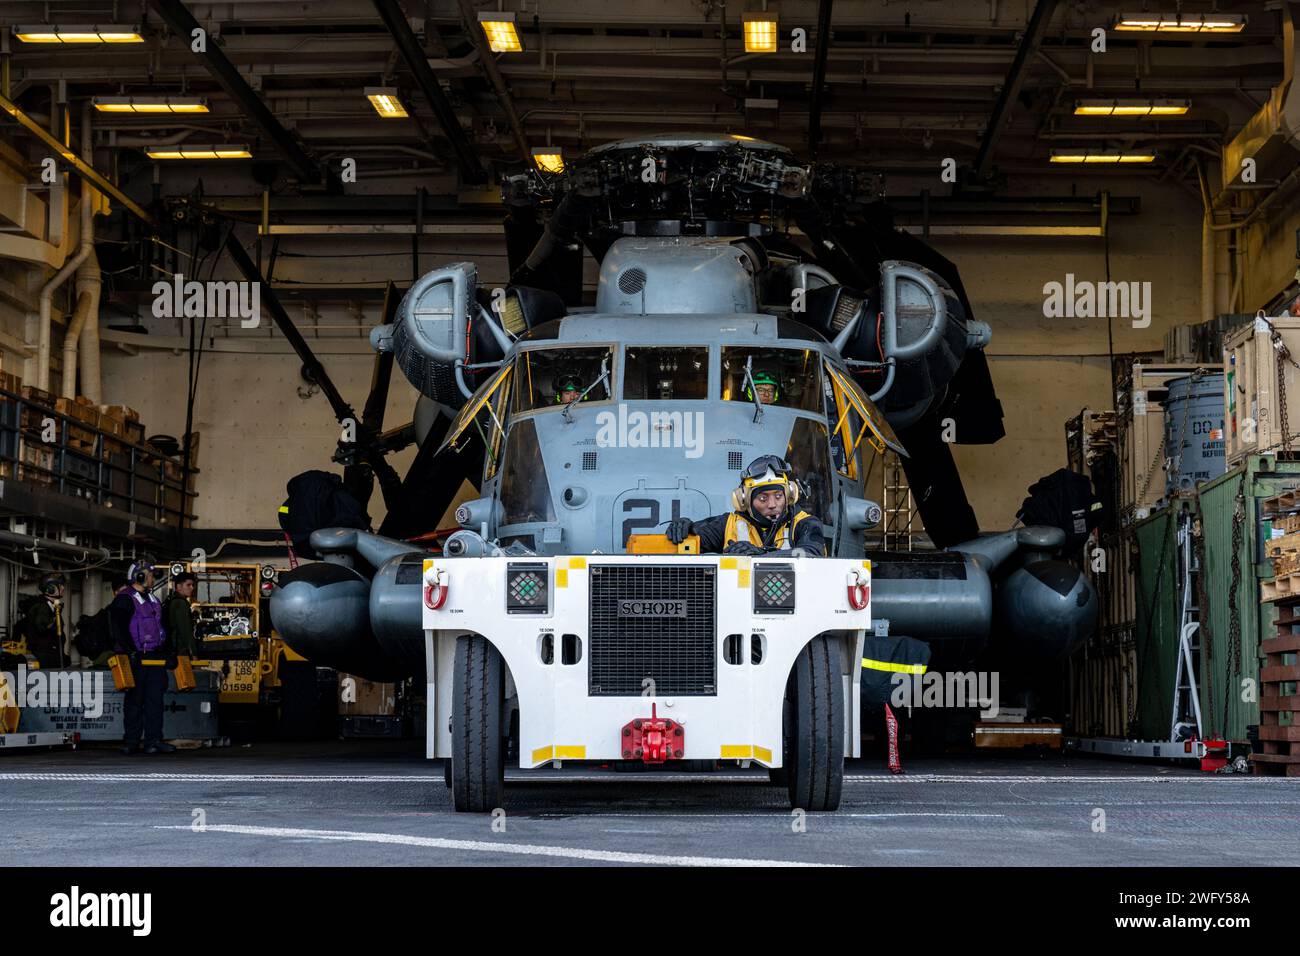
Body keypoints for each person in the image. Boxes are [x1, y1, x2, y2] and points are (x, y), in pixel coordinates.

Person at [666, 455, 825, 556]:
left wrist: (761, 554)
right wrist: (686, 527)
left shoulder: (806, 523)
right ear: (744, 500)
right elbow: (694, 542)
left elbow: (810, 554)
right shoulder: (728, 524)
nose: (772, 504)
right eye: (763, 498)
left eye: (778, 496)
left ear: (790, 495)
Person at [109, 558, 175, 755]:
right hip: (136, 658)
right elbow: (118, 629)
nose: (153, 579)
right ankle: (131, 741)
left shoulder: (154, 600)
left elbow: (164, 629)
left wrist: (169, 653)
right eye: (150, 575)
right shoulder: (125, 599)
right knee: (134, 701)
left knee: (155, 701)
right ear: (139, 576)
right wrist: (129, 652)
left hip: (155, 658)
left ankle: (154, 740)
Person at [17, 572, 68, 669]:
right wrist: (55, 616)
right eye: (60, 586)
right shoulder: (41, 607)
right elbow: (43, 628)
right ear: (51, 589)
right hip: (44, 656)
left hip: (50, 654)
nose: (63, 588)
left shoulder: (50, 606)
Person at [164, 572, 198, 659]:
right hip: (180, 651)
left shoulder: (173, 600)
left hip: (173, 650)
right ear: (179, 587)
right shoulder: (180, 603)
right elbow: (185, 630)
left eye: (192, 585)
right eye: (188, 585)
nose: (192, 588)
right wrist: (193, 653)